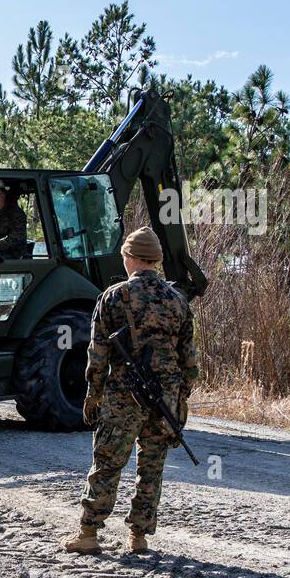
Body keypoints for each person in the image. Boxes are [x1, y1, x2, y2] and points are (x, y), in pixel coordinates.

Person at [63, 226, 198, 555]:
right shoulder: (178, 301)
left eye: (124, 256)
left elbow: (97, 356)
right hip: (164, 395)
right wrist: (179, 399)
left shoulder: (113, 297)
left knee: (108, 460)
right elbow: (189, 363)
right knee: (151, 465)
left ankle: (89, 533)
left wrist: (93, 396)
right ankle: (138, 537)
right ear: (156, 261)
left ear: (131, 258)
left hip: (125, 393)